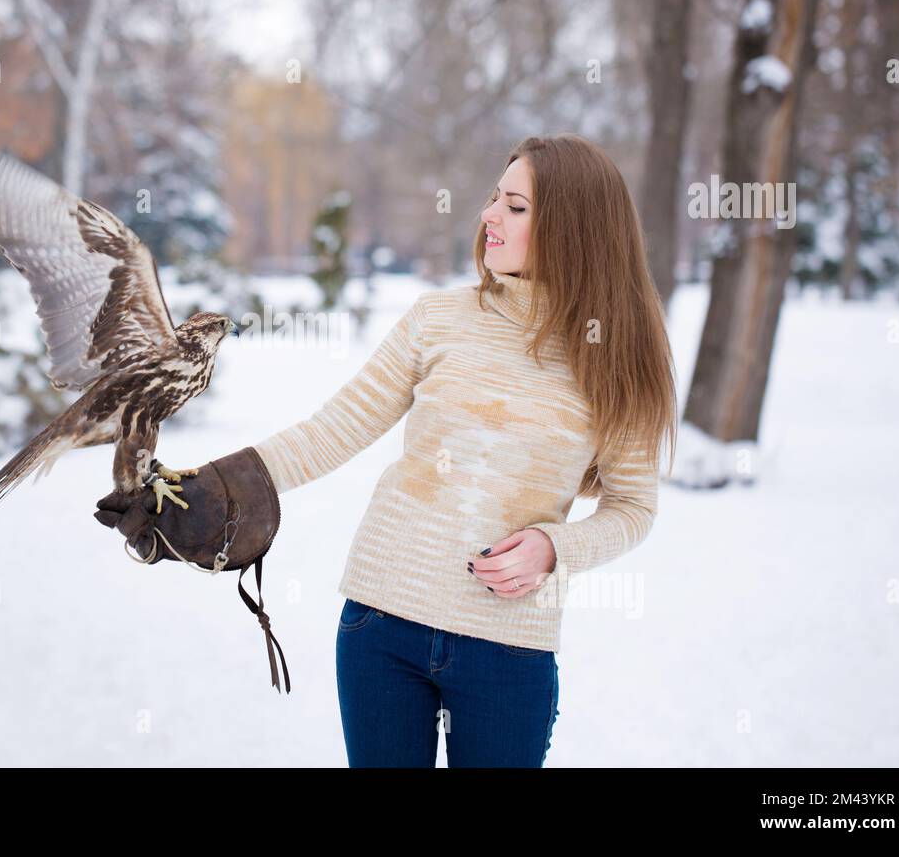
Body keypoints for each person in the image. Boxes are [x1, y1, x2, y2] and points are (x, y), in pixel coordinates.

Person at [195, 134, 678, 767]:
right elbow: (333, 429)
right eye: (492, 200)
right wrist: (208, 487)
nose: (488, 217)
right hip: (380, 627)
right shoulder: (438, 319)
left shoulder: (615, 355)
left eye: (515, 206)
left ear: (574, 228)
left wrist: (556, 547)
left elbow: (632, 507)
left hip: (508, 649)